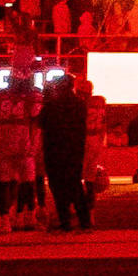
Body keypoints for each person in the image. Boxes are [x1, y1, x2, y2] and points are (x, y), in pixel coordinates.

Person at [40, 68, 94, 231]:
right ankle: (84, 220)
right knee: (74, 185)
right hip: (74, 150)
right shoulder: (79, 104)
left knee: (58, 186)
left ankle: (65, 220)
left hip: (54, 150)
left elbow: (41, 123)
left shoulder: (52, 105)